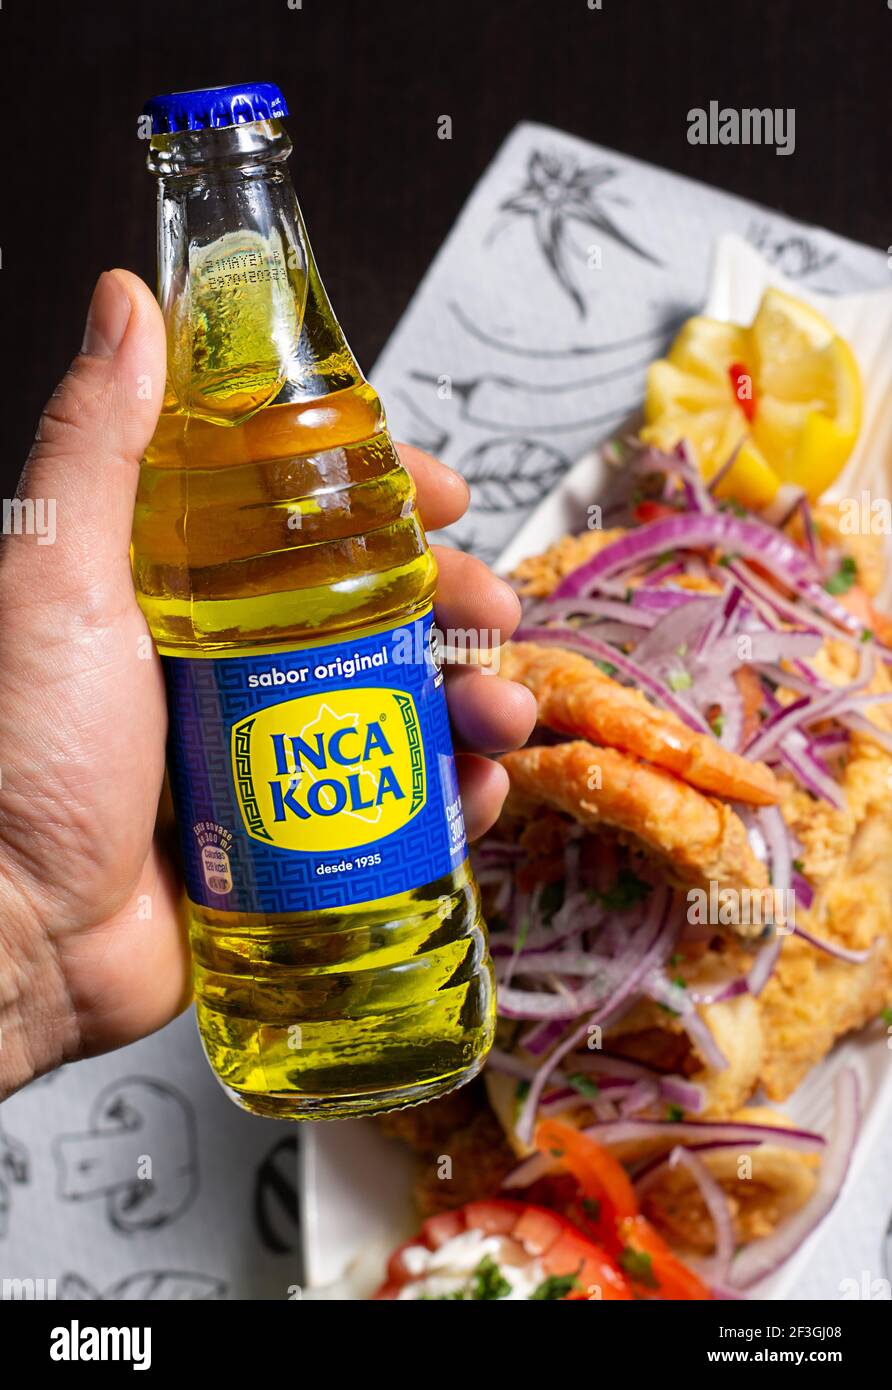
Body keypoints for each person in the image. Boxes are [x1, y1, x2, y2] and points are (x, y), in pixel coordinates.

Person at [0, 270, 537, 1101]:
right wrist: (27, 917)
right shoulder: (194, 456)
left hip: (404, 978)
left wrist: (32, 949)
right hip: (256, 989)